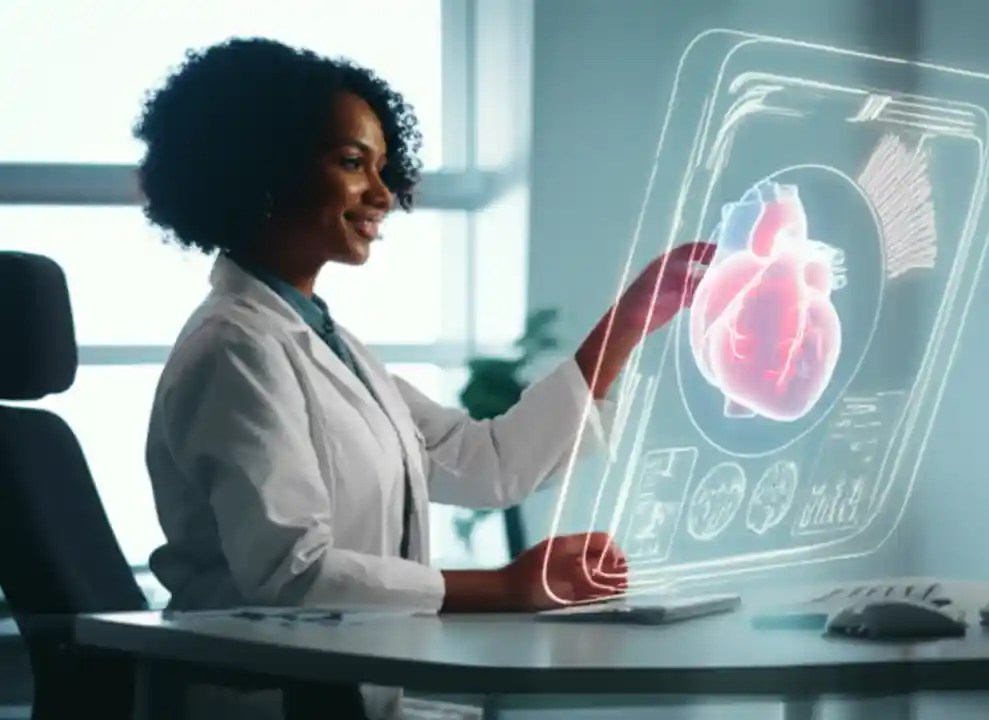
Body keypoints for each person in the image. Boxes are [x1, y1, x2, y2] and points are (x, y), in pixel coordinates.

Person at [134, 37, 714, 719]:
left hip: (343, 693)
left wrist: (630, 319)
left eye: (383, 168)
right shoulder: (233, 349)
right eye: (353, 163)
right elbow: (293, 574)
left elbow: (486, 464)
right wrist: (504, 587)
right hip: (265, 703)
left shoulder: (322, 341)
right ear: (263, 169)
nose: (383, 193)